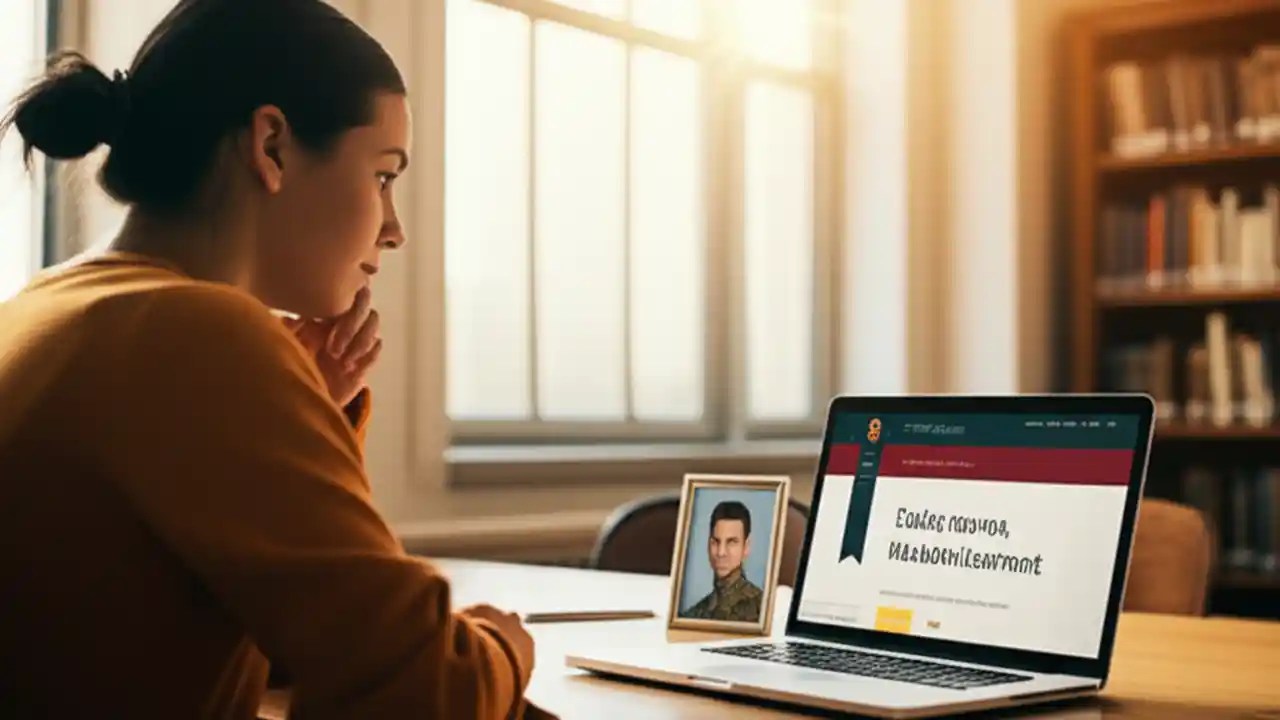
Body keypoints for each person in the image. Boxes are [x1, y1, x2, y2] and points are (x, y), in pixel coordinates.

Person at [0, 1, 538, 717]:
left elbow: (266, 630)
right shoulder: (194, 332)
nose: (395, 229)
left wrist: (303, 404)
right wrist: (502, 649)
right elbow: (426, 688)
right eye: (383, 176)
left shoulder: (42, 308)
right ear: (273, 146)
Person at [684, 500, 764, 622]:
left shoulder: (762, 608)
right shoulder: (694, 614)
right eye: (715, 542)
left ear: (746, 547)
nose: (721, 553)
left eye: (731, 542)